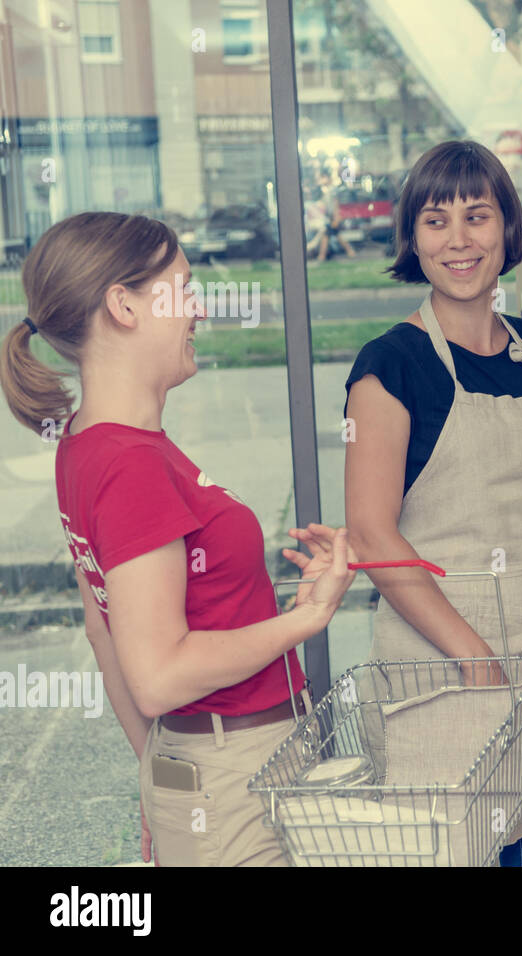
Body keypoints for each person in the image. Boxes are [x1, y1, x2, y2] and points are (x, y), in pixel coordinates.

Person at [0, 212, 357, 866]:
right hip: (236, 784)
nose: (198, 308)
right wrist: (307, 618)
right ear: (124, 305)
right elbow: (160, 675)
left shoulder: (89, 443)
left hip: (212, 775)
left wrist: (157, 778)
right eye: (183, 288)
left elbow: (105, 633)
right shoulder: (130, 465)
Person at [343, 140, 522, 867]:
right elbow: (369, 530)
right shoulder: (388, 366)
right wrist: (474, 659)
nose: (459, 240)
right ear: (413, 239)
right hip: (440, 681)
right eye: (435, 221)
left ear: (507, 230)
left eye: (477, 216)